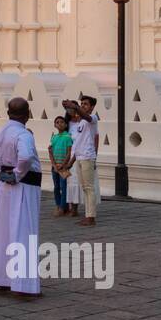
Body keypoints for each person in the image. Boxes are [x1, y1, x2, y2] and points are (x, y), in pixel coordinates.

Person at [0, 97, 42, 297]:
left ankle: (1, 278)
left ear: (8, 113)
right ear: (27, 115)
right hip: (23, 187)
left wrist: (2, 170)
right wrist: (17, 173)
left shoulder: (2, 131)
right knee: (23, 232)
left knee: (2, 232)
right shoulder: (24, 134)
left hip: (4, 187)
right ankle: (22, 284)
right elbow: (25, 157)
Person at [70, 95, 100, 227]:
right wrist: (70, 162)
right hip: (80, 157)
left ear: (92, 107)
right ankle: (88, 215)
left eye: (86, 104)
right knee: (85, 188)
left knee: (89, 188)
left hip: (88, 157)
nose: (83, 106)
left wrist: (75, 107)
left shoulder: (92, 119)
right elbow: (77, 144)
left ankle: (91, 217)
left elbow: (87, 117)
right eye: (81, 104)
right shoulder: (80, 123)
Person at [48, 115, 74, 217]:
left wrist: (63, 165)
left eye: (62, 122)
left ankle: (63, 207)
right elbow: (50, 151)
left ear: (66, 124)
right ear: (55, 125)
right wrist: (54, 164)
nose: (60, 124)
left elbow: (69, 152)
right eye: (57, 122)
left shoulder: (68, 137)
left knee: (64, 187)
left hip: (63, 167)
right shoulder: (53, 137)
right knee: (56, 187)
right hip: (55, 167)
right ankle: (58, 205)